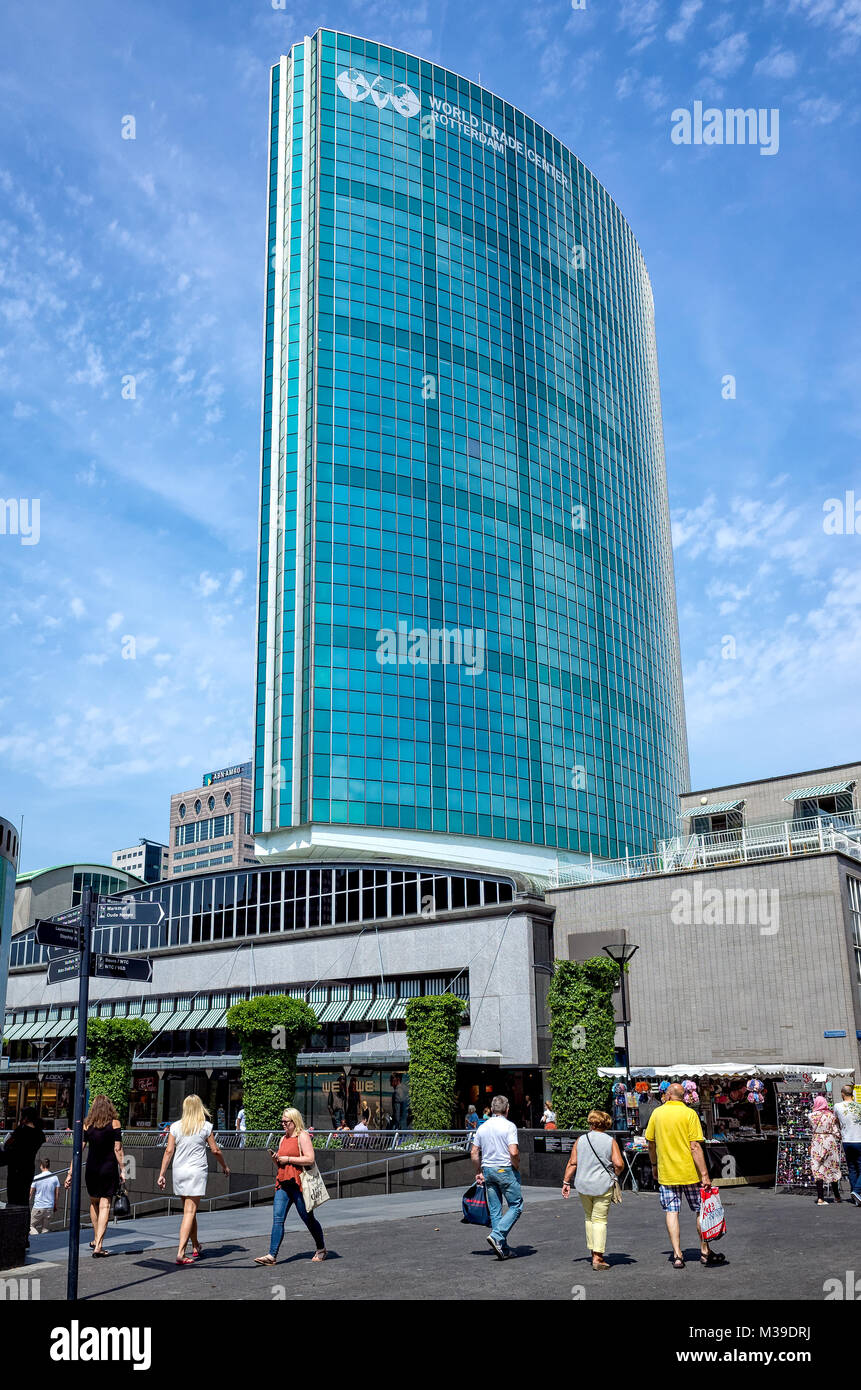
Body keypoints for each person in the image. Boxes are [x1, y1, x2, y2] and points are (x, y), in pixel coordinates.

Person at [645, 1081, 724, 1269]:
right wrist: (704, 1174)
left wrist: (654, 1165)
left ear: (670, 1095)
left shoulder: (657, 1113)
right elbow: (695, 1146)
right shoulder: (690, 1114)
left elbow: (651, 1144)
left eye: (665, 1093)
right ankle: (705, 1250)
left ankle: (678, 1254)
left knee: (671, 1212)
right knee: (699, 1210)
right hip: (690, 1172)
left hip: (667, 1172)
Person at [158, 1094, 230, 1264]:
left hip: (179, 1171)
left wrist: (161, 1174)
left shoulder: (175, 1127)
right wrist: (225, 1166)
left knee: (189, 1211)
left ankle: (196, 1245)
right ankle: (181, 1253)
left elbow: (168, 1151)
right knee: (190, 1212)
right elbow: (215, 1150)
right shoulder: (205, 1126)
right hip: (196, 1171)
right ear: (200, 1108)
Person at [254, 1108, 327, 1264]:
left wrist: (287, 1158)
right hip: (283, 1183)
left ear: (294, 1122)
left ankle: (321, 1248)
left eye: (286, 1121)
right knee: (277, 1219)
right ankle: (271, 1256)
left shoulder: (303, 1136)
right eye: (282, 1121)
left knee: (308, 1219)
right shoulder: (282, 1139)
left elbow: (310, 1159)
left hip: (299, 1184)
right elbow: (282, 1163)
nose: (283, 1124)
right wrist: (277, 1159)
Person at [561, 1109, 624, 1271]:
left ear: (591, 1123)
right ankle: (598, 1257)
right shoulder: (610, 1141)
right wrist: (614, 1175)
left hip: (583, 1185)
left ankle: (592, 1251)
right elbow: (619, 1164)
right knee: (600, 1219)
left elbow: (572, 1162)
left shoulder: (581, 1140)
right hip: (602, 1185)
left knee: (589, 1218)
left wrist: (566, 1182)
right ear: (605, 1123)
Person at [64, 1094, 125, 1257]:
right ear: (109, 1107)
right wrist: (124, 1170)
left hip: (91, 1169)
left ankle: (96, 1238)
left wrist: (70, 1173)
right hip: (108, 1168)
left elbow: (79, 1150)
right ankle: (99, 1245)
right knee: (105, 1205)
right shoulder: (115, 1123)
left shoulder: (87, 1124)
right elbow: (118, 1149)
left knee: (94, 1204)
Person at [470, 1095, 522, 1259]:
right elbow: (513, 1151)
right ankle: (497, 1236)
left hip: (488, 1170)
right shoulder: (509, 1126)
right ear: (507, 1109)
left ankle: (502, 1248)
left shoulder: (482, 1127)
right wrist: (516, 1165)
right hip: (504, 1169)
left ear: (492, 1110)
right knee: (516, 1205)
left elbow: (473, 1152)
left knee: (495, 1210)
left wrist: (478, 1171)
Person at [1, 1107, 45, 1208]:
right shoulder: (39, 1134)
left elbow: (8, 1145)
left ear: (25, 1118)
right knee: (23, 1200)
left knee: (13, 1199)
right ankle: (23, 1221)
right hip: (28, 1168)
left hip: (16, 1169)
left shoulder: (21, 1131)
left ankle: (15, 1220)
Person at [810, 1094, 843, 1205]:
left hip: (817, 1142)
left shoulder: (811, 1116)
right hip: (829, 1141)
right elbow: (836, 1131)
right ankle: (837, 1196)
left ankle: (820, 1198)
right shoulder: (830, 1116)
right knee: (832, 1166)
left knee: (817, 1167)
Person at [834, 1084, 861, 1207]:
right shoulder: (859, 1106)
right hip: (859, 1139)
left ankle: (856, 1196)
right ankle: (856, 1191)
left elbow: (836, 1121)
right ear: (852, 1094)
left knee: (852, 1168)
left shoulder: (837, 1106)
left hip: (846, 1140)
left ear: (842, 1094)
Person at [29, 1157, 60, 1235]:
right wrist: (55, 1205)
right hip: (50, 1207)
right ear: (49, 1166)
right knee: (45, 1229)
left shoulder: (36, 1178)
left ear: (41, 1166)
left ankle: (37, 1237)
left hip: (38, 1206)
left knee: (30, 1226)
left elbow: (30, 1193)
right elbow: (57, 1194)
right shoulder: (55, 1178)